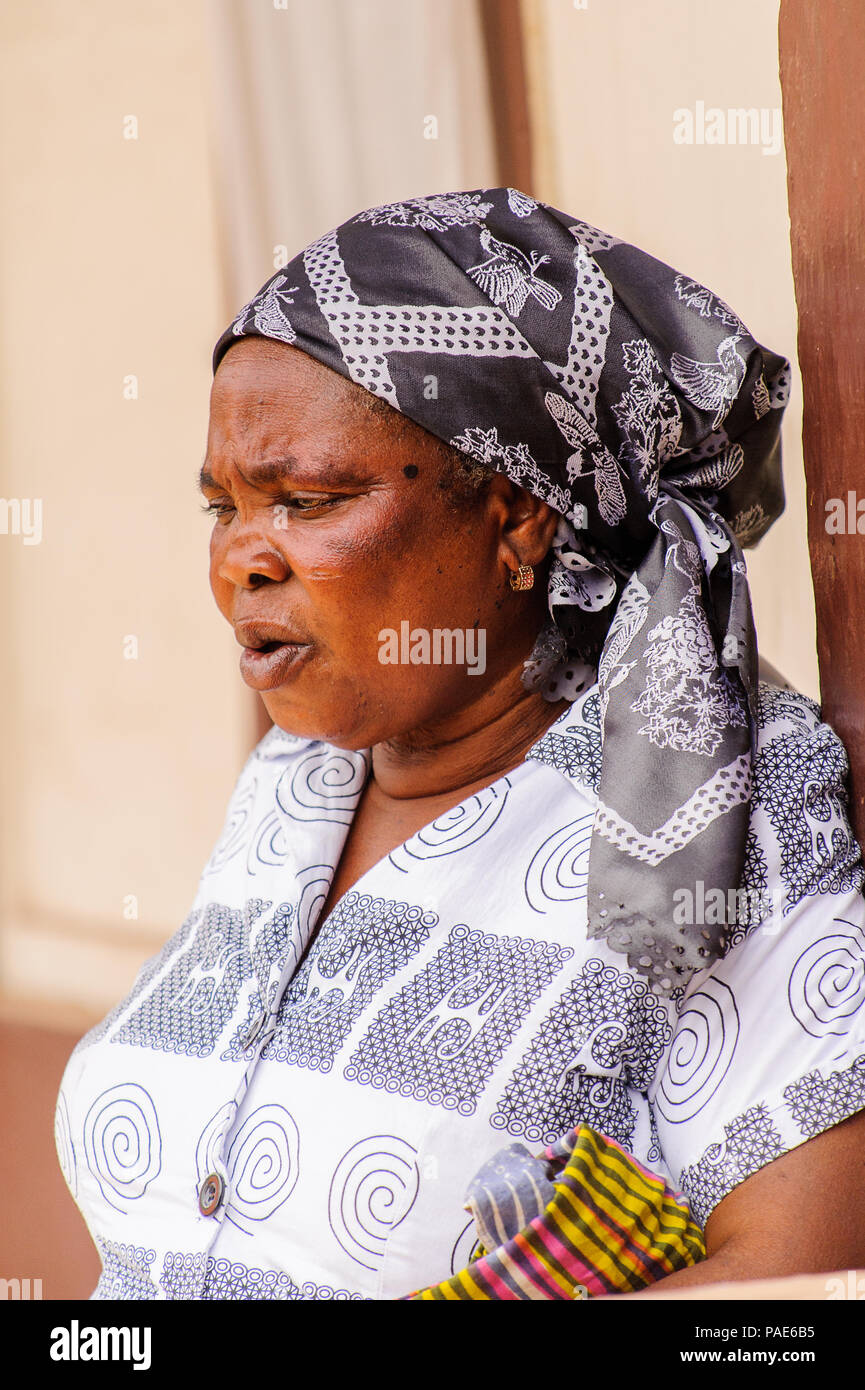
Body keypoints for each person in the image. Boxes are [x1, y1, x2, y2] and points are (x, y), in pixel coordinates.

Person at [55, 188, 865, 1300]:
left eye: (307, 498)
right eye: (224, 507)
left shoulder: (712, 799)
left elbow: (800, 1295)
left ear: (517, 512)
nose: (242, 558)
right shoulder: (296, 780)